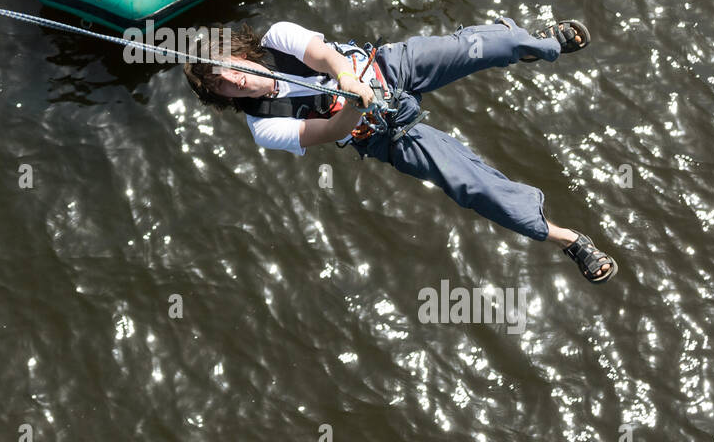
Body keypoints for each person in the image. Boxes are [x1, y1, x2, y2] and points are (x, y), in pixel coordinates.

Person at [182, 17, 621, 283]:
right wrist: (354, 107)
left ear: (236, 53)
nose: (234, 79)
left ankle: (535, 44)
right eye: (221, 84)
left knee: (486, 46)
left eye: (227, 67)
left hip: (387, 67)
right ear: (224, 96)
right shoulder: (264, 126)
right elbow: (327, 129)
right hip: (382, 130)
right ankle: (566, 237)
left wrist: (349, 79)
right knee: (470, 186)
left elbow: (322, 57)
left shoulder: (277, 37)